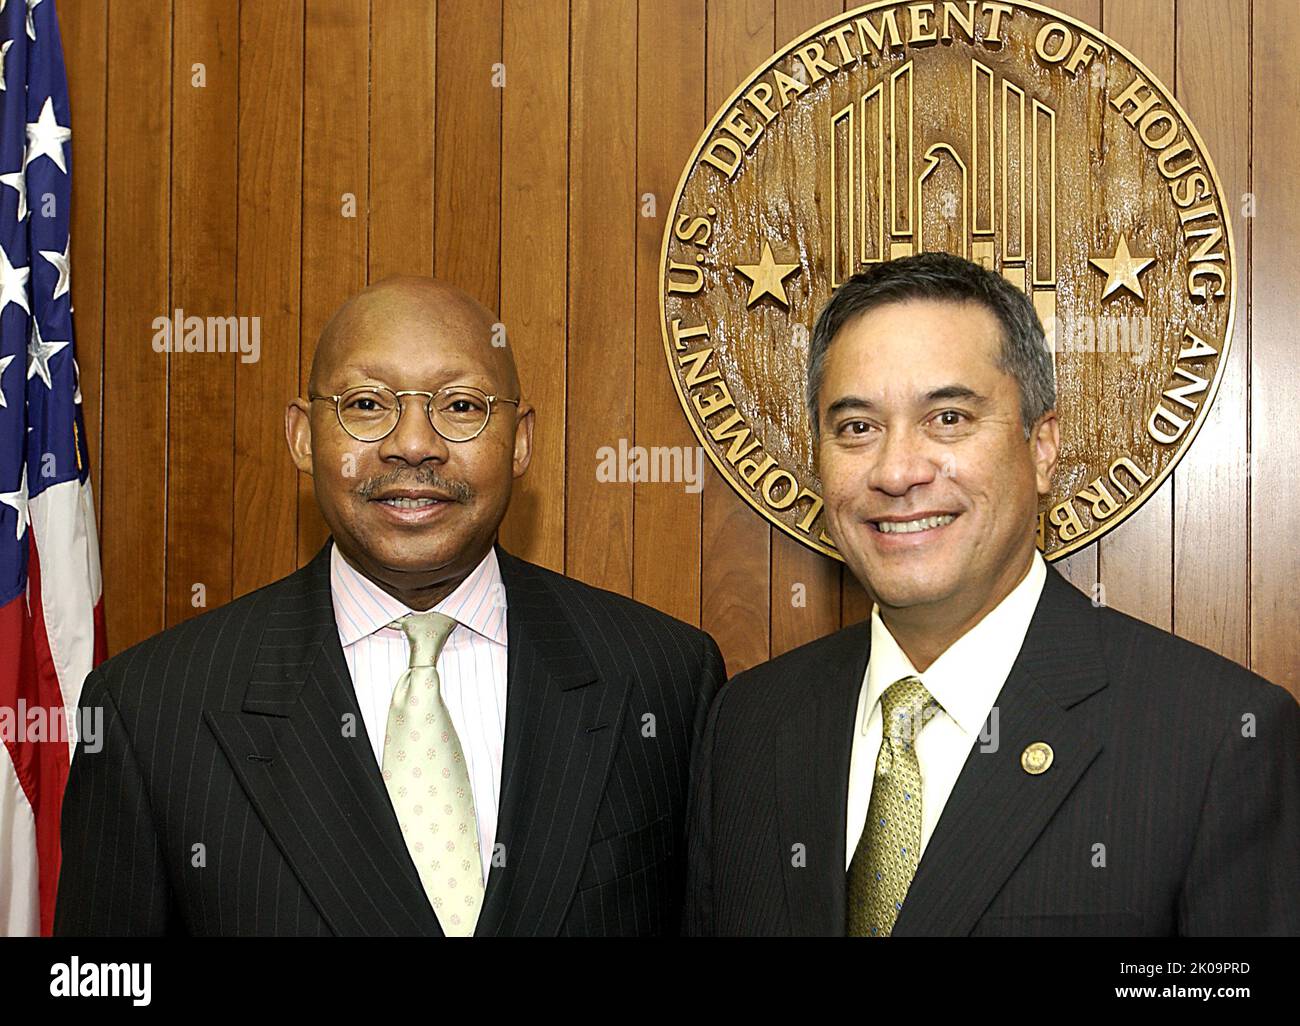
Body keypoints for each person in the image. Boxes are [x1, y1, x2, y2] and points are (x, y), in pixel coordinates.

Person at [55, 276, 725, 936]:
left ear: (520, 440)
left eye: (460, 405)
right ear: (303, 436)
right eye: (367, 404)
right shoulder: (148, 711)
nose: (412, 444)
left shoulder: (664, 679)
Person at [684, 252, 1299, 937]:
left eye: (948, 418)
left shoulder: (1215, 739)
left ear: (1042, 448)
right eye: (857, 428)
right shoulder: (748, 726)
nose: (897, 471)